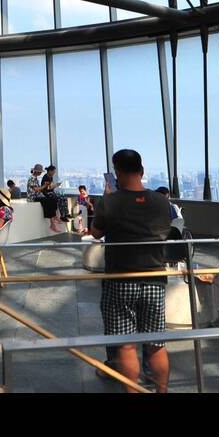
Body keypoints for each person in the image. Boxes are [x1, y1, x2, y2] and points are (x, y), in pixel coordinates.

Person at [90, 149, 171, 393]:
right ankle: (162, 390)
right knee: (157, 345)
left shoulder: (110, 202)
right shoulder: (161, 202)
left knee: (125, 346)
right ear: (142, 171)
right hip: (154, 279)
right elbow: (165, 231)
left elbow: (96, 232)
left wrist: (105, 200)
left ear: (117, 173)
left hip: (120, 279)